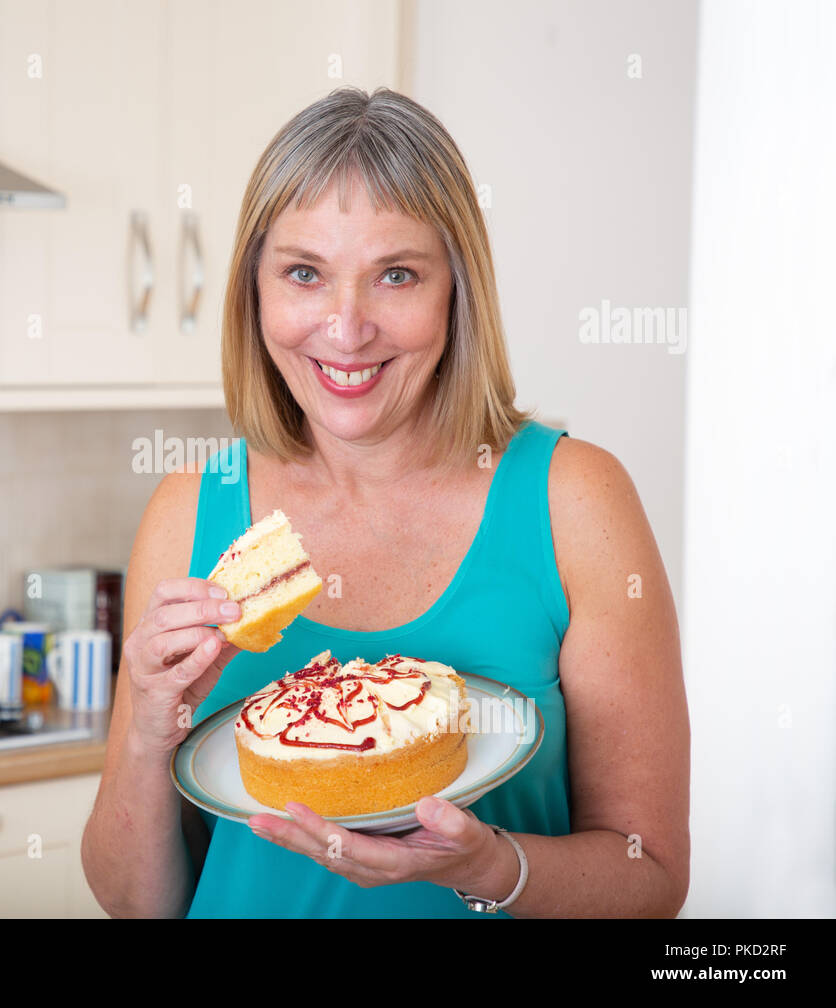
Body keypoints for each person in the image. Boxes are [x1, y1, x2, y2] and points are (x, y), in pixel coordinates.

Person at [81, 86, 689, 918]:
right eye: (304, 273)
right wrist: (150, 727)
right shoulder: (190, 510)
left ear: (456, 292)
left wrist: (486, 867)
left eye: (395, 275)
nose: (345, 328)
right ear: (254, 292)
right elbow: (134, 904)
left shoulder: (575, 499)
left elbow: (649, 877)